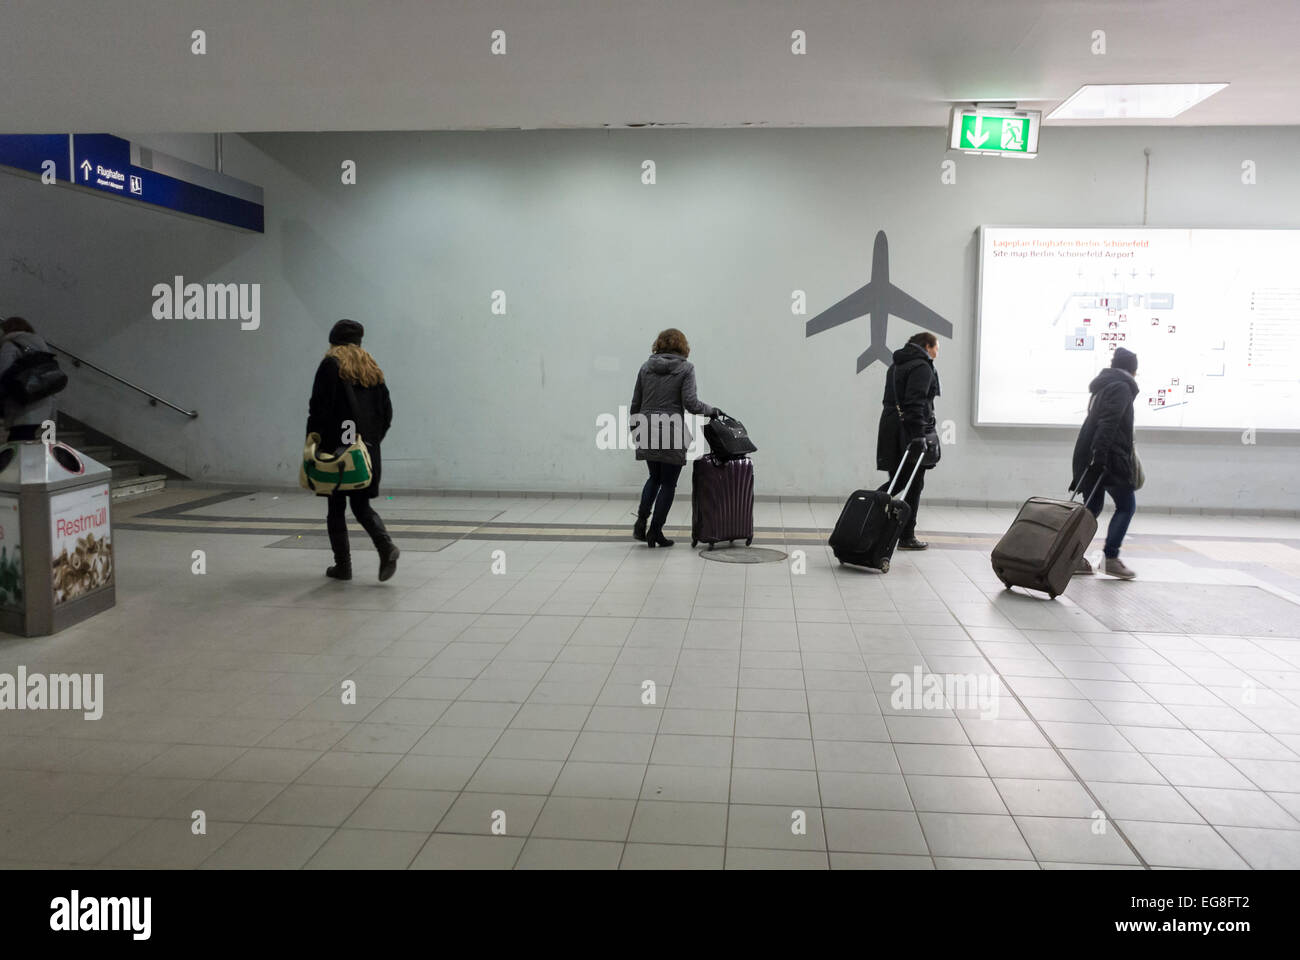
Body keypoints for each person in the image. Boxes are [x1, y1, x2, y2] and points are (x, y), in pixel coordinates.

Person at [306, 319, 398, 581]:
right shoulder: (372, 370)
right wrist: (370, 440)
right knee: (361, 505)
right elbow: (387, 413)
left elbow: (319, 409)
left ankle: (343, 566)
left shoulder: (330, 366)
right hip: (365, 450)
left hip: (337, 450)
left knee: (335, 508)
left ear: (333, 341)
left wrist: (314, 443)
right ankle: (385, 546)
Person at [629, 328, 721, 548]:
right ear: (683, 346)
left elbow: (636, 402)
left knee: (654, 478)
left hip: (646, 427)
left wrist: (634, 428)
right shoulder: (686, 368)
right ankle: (655, 532)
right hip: (671, 429)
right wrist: (711, 410)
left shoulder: (645, 368)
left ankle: (641, 523)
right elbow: (691, 403)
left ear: (658, 344)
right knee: (668, 483)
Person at [1070, 347, 1140, 579]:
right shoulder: (1121, 387)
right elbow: (1108, 424)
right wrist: (1100, 458)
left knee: (1092, 508)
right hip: (1107, 458)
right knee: (1126, 506)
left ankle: (1071, 557)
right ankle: (1110, 558)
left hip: (1092, 454)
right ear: (1133, 370)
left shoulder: (1103, 386)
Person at [876, 331, 940, 550]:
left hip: (891, 428)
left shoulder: (896, 365)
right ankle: (905, 534)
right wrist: (919, 435)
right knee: (913, 482)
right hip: (909, 431)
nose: (936, 353)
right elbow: (916, 403)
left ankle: (867, 513)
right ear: (927, 345)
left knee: (900, 479)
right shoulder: (921, 367)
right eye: (936, 348)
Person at [0, 316, 58, 442]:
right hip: (43, 402)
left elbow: (4, 372)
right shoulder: (38, 343)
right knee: (27, 442)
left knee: (16, 446)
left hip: (23, 404)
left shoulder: (10, 344)